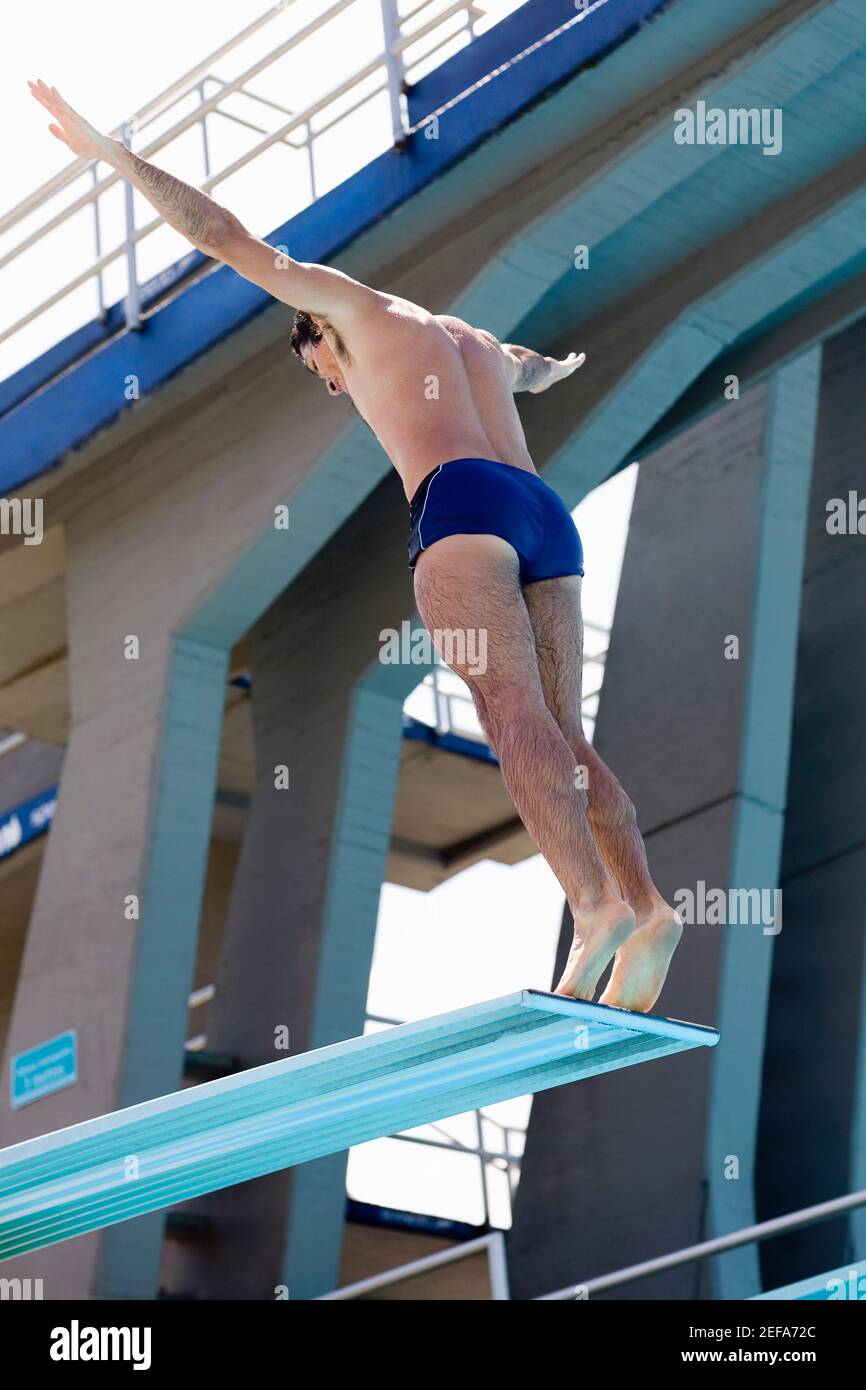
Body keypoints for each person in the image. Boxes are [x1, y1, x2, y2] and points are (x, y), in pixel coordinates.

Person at [30, 80, 683, 1011]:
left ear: (320, 334)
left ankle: (596, 908)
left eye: (319, 372)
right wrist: (549, 369)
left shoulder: (349, 307)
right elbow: (533, 366)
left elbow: (222, 238)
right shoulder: (474, 343)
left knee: (509, 711)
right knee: (563, 728)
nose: (333, 388)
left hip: (463, 506)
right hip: (546, 511)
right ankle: (652, 908)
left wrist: (118, 160)